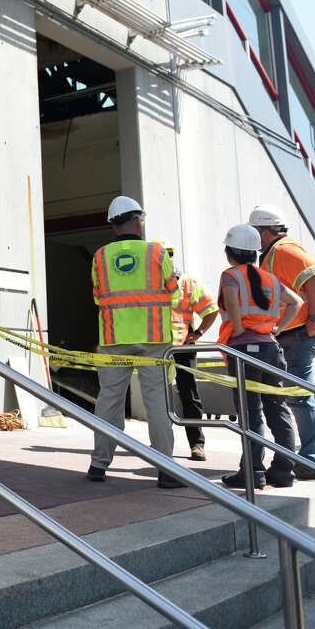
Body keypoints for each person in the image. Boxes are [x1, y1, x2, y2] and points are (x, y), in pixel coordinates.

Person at [87, 196, 182, 489]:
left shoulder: (100, 256)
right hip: (153, 340)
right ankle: (166, 470)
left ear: (114, 225)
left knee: (108, 401)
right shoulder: (156, 253)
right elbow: (174, 295)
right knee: (156, 402)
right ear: (138, 220)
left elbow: (97, 297)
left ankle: (98, 465)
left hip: (114, 339)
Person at [249, 204, 315, 478]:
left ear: (264, 231)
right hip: (294, 333)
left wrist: (313, 318)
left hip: (301, 333)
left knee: (299, 396)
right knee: (301, 393)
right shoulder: (275, 253)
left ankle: (313, 459)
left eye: (254, 232)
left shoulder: (285, 251)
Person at [216, 224, 304, 489]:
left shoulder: (230, 275)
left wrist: (241, 328)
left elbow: (231, 301)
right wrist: (277, 328)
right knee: (277, 408)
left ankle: (253, 472)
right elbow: (296, 302)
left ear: (230, 252)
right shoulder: (269, 278)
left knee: (250, 412)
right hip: (270, 348)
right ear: (254, 253)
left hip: (244, 350)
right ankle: (284, 470)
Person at [163, 241, 219, 462]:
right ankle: (161, 443)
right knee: (159, 396)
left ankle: (197, 444)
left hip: (183, 348)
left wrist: (198, 333)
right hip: (158, 348)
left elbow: (210, 310)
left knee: (189, 395)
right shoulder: (150, 284)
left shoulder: (187, 283)